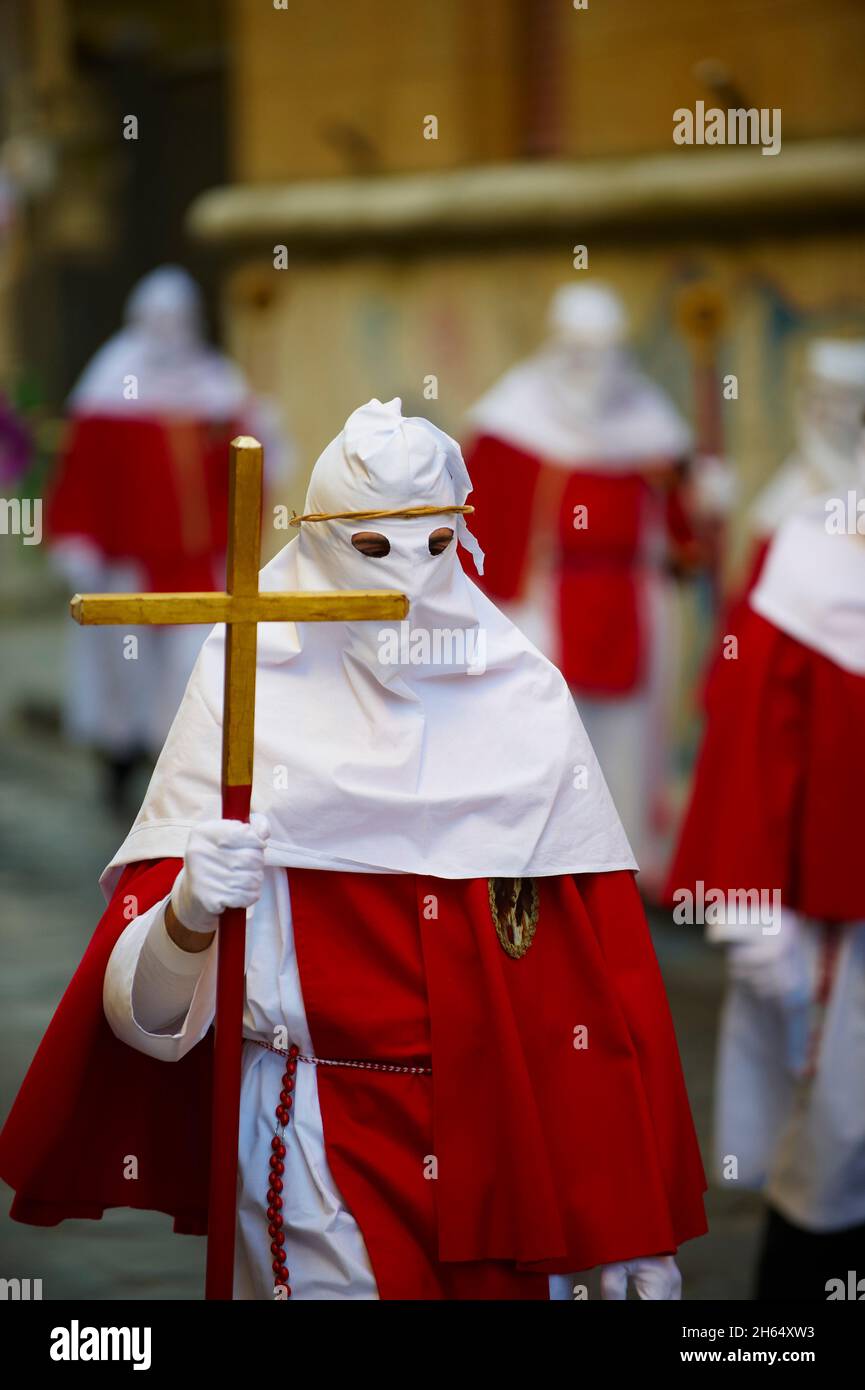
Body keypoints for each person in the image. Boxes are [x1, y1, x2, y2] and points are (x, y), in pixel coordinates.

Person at [1, 398, 706, 1300]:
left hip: (505, 1151)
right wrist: (185, 915)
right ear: (322, 539)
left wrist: (634, 1229)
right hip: (313, 1143)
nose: (405, 587)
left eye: (434, 546)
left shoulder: (523, 698)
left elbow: (595, 990)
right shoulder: (247, 679)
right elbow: (148, 1023)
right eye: (372, 550)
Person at [666, 434, 865, 1300]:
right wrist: (749, 907)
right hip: (835, 924)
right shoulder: (805, 576)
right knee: (833, 1144)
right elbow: (748, 753)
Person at [463, 283, 718, 886]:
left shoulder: (651, 427)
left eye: (602, 352)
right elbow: (478, 533)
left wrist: (702, 498)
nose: (590, 371)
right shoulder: (509, 422)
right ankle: (542, 872)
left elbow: (688, 549)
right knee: (548, 746)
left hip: (635, 608)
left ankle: (618, 873)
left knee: (626, 756)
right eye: (577, 351)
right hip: (541, 610)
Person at [46, 265, 286, 812]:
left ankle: (182, 773)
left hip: (197, 563)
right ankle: (120, 762)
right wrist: (78, 541)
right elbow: (82, 474)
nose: (169, 329)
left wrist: (264, 431)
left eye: (178, 319)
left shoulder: (218, 385)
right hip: (127, 561)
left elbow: (242, 465)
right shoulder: (108, 386)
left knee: (192, 672)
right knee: (126, 675)